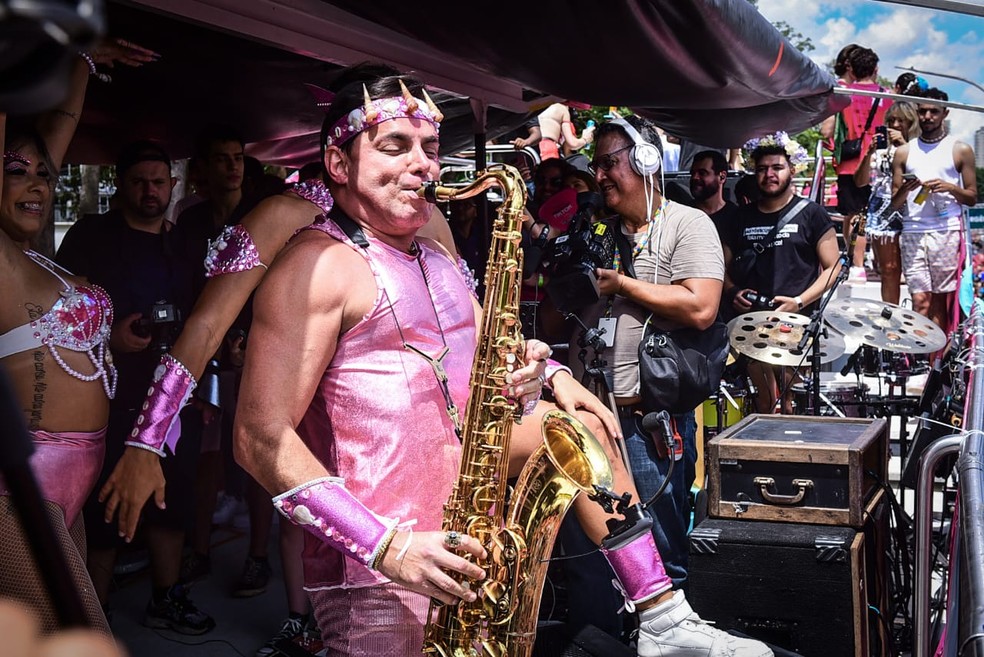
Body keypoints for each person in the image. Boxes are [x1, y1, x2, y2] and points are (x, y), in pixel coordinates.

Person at [234, 64, 772, 657]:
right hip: (379, 580)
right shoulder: (315, 266)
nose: (423, 165)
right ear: (338, 163)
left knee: (582, 426)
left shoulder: (436, 257)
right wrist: (389, 547)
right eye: (395, 146)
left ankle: (661, 615)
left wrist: (550, 373)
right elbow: (259, 438)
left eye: (429, 148)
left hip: (474, 550)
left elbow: (488, 349)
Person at [0, 38, 156, 636]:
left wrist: (81, 60)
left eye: (46, 175)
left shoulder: (37, 261)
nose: (38, 185)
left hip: (75, 479)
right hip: (21, 489)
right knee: (80, 636)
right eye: (15, 173)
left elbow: (55, 131)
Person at [57, 139, 215, 635]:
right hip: (105, 392)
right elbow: (56, 311)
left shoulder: (185, 244)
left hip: (175, 395)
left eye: (159, 182)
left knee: (173, 501)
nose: (150, 191)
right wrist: (109, 337)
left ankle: (166, 598)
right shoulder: (90, 236)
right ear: (119, 185)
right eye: (139, 182)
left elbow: (206, 318)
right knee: (103, 505)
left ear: (173, 185)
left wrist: (205, 388)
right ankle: (94, 614)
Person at [723, 133, 841, 414]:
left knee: (792, 405)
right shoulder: (740, 217)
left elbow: (833, 268)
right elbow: (719, 266)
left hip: (796, 323)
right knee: (762, 406)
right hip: (751, 325)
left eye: (777, 167)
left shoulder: (811, 213)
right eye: (762, 169)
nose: (769, 175)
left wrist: (798, 302)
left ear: (792, 170)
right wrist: (732, 291)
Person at [892, 88, 978, 332]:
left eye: (934, 112)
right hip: (913, 231)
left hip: (946, 230)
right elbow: (895, 203)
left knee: (940, 301)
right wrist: (906, 189)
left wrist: (950, 187)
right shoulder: (904, 152)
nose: (927, 117)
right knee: (920, 300)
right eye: (922, 111)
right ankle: (920, 348)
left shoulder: (959, 150)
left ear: (944, 113)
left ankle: (935, 354)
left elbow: (972, 197)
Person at [820, 46, 891, 285]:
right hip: (880, 162)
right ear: (875, 69)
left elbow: (827, 131)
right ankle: (876, 264)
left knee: (853, 215)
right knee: (879, 215)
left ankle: (856, 266)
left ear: (852, 69)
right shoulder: (886, 95)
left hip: (851, 162)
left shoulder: (844, 93)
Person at [853, 101, 920, 305]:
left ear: (911, 123)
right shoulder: (881, 150)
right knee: (889, 269)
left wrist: (903, 145)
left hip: (914, 207)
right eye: (891, 120)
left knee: (914, 270)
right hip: (883, 209)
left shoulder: (919, 147)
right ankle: (891, 312)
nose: (895, 125)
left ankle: (918, 314)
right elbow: (860, 182)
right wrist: (869, 153)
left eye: (901, 120)